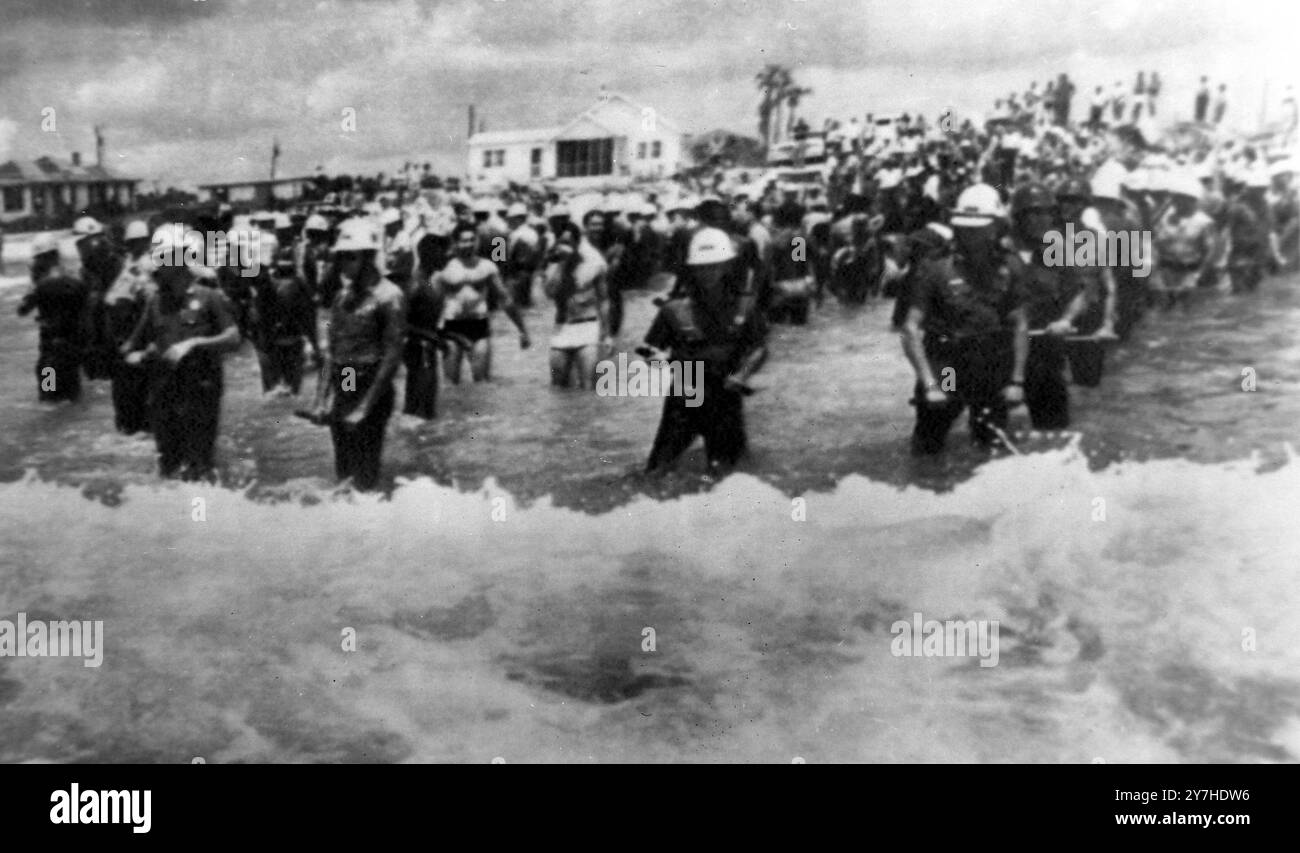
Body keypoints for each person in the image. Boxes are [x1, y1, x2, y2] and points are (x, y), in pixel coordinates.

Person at [899, 183, 1028, 455]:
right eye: (966, 228)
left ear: (996, 227)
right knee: (931, 438)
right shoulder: (935, 268)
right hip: (948, 369)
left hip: (990, 366)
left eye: (979, 228)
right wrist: (930, 384)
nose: (972, 235)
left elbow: (1020, 324)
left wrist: (1016, 381)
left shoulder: (1010, 266)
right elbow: (910, 329)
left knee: (993, 443)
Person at [642, 226, 767, 476]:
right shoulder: (673, 309)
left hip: (726, 395)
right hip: (687, 393)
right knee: (656, 472)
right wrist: (656, 360)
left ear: (727, 266)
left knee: (730, 476)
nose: (708, 272)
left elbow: (759, 348)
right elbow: (649, 349)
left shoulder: (746, 306)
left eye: (714, 265)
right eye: (701, 267)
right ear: (692, 270)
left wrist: (742, 375)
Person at [123, 225, 240, 481]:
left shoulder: (209, 297)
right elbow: (130, 347)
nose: (157, 267)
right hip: (164, 393)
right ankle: (174, 517)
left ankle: (199, 517)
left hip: (201, 392)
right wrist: (142, 355)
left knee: (199, 465)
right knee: (169, 466)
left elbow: (234, 338)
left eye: (163, 259)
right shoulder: (155, 302)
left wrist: (195, 343)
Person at [308, 218, 406, 490]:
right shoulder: (343, 297)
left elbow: (392, 355)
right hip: (346, 379)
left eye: (349, 257)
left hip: (371, 383)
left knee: (365, 471)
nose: (342, 264)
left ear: (368, 257)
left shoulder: (389, 296)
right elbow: (332, 353)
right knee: (344, 470)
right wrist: (321, 399)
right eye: (340, 257)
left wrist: (364, 407)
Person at [1006, 183, 1090, 431]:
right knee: (992, 433)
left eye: (1047, 213)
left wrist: (1067, 319)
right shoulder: (998, 248)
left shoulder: (1057, 248)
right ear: (1019, 216)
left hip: (1045, 349)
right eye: (1034, 213)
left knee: (1053, 434)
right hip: (1001, 351)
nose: (1042, 220)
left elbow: (1079, 293)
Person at [434, 222, 530, 383]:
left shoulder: (487, 266)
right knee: (450, 384)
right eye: (464, 241)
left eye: (472, 240)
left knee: (482, 384)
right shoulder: (444, 267)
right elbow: (432, 299)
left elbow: (505, 299)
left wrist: (522, 330)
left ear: (477, 240)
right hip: (452, 327)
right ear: (455, 243)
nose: (469, 244)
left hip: (479, 326)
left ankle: (479, 409)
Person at [18, 233, 87, 403]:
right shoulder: (73, 278)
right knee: (73, 394)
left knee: (48, 396)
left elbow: (22, 310)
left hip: (51, 349)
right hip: (73, 346)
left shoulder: (40, 285)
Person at [543, 221, 610, 389]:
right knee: (558, 386)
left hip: (588, 327)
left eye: (568, 242)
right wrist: (562, 264)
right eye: (561, 243)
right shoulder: (553, 265)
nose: (564, 246)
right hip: (562, 329)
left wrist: (606, 334)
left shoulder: (594, 263)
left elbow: (604, 299)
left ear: (577, 242)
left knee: (589, 387)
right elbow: (550, 293)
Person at [102, 221, 156, 431]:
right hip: (120, 345)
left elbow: (150, 306)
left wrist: (132, 339)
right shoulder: (126, 265)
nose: (132, 247)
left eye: (136, 243)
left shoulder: (145, 267)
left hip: (131, 343)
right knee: (125, 404)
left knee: (134, 404)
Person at [251, 242, 320, 395]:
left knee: (271, 392)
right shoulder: (300, 286)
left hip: (270, 345)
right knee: (293, 391)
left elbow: (256, 320)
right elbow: (309, 320)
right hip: (291, 342)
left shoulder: (265, 287)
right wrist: (315, 346)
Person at [1152, 172, 1214, 309]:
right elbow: (1154, 246)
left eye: (1180, 199)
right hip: (1166, 270)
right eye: (1175, 199)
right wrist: (1155, 275)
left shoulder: (1203, 222)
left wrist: (1197, 275)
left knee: (1186, 309)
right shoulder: (1166, 218)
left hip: (1189, 271)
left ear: (1191, 200)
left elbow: (1209, 251)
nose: (1176, 202)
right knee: (1164, 310)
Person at [72, 216, 122, 381]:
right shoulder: (90, 270)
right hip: (93, 342)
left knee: (48, 389)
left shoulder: (109, 265)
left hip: (98, 339)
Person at [503, 202, 542, 307]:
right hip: (532, 272)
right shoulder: (533, 232)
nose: (509, 222)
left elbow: (508, 256)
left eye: (510, 219)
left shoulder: (515, 234)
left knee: (518, 305)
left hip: (518, 274)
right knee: (527, 303)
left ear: (517, 219)